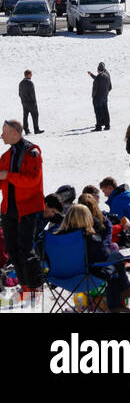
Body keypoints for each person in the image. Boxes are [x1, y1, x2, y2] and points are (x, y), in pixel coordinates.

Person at [55, 203, 130, 313]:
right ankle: (121, 294)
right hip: (85, 277)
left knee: (113, 263)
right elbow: (104, 256)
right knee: (115, 258)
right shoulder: (89, 237)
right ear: (87, 219)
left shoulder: (55, 238)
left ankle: (121, 295)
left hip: (60, 277)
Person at [0, 119, 44, 295]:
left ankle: (35, 287)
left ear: (15, 133)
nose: (1, 135)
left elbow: (32, 181)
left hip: (28, 209)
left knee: (26, 250)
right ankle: (25, 286)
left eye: (4, 132)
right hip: (8, 209)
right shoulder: (6, 156)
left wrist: (8, 176)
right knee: (12, 250)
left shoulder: (32, 152)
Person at [88, 61, 112, 131]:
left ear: (98, 70)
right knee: (105, 111)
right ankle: (107, 126)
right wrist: (105, 93)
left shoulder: (98, 77)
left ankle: (98, 127)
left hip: (97, 98)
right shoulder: (107, 76)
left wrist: (93, 96)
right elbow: (110, 87)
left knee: (98, 112)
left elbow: (95, 89)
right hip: (105, 97)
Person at [18, 70, 42, 136]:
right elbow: (32, 94)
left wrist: (22, 100)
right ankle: (36, 130)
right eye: (30, 74)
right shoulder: (30, 83)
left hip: (24, 103)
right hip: (31, 103)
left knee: (25, 116)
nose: (31, 75)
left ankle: (26, 130)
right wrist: (34, 102)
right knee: (35, 115)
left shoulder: (21, 83)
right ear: (28, 75)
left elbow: (19, 93)